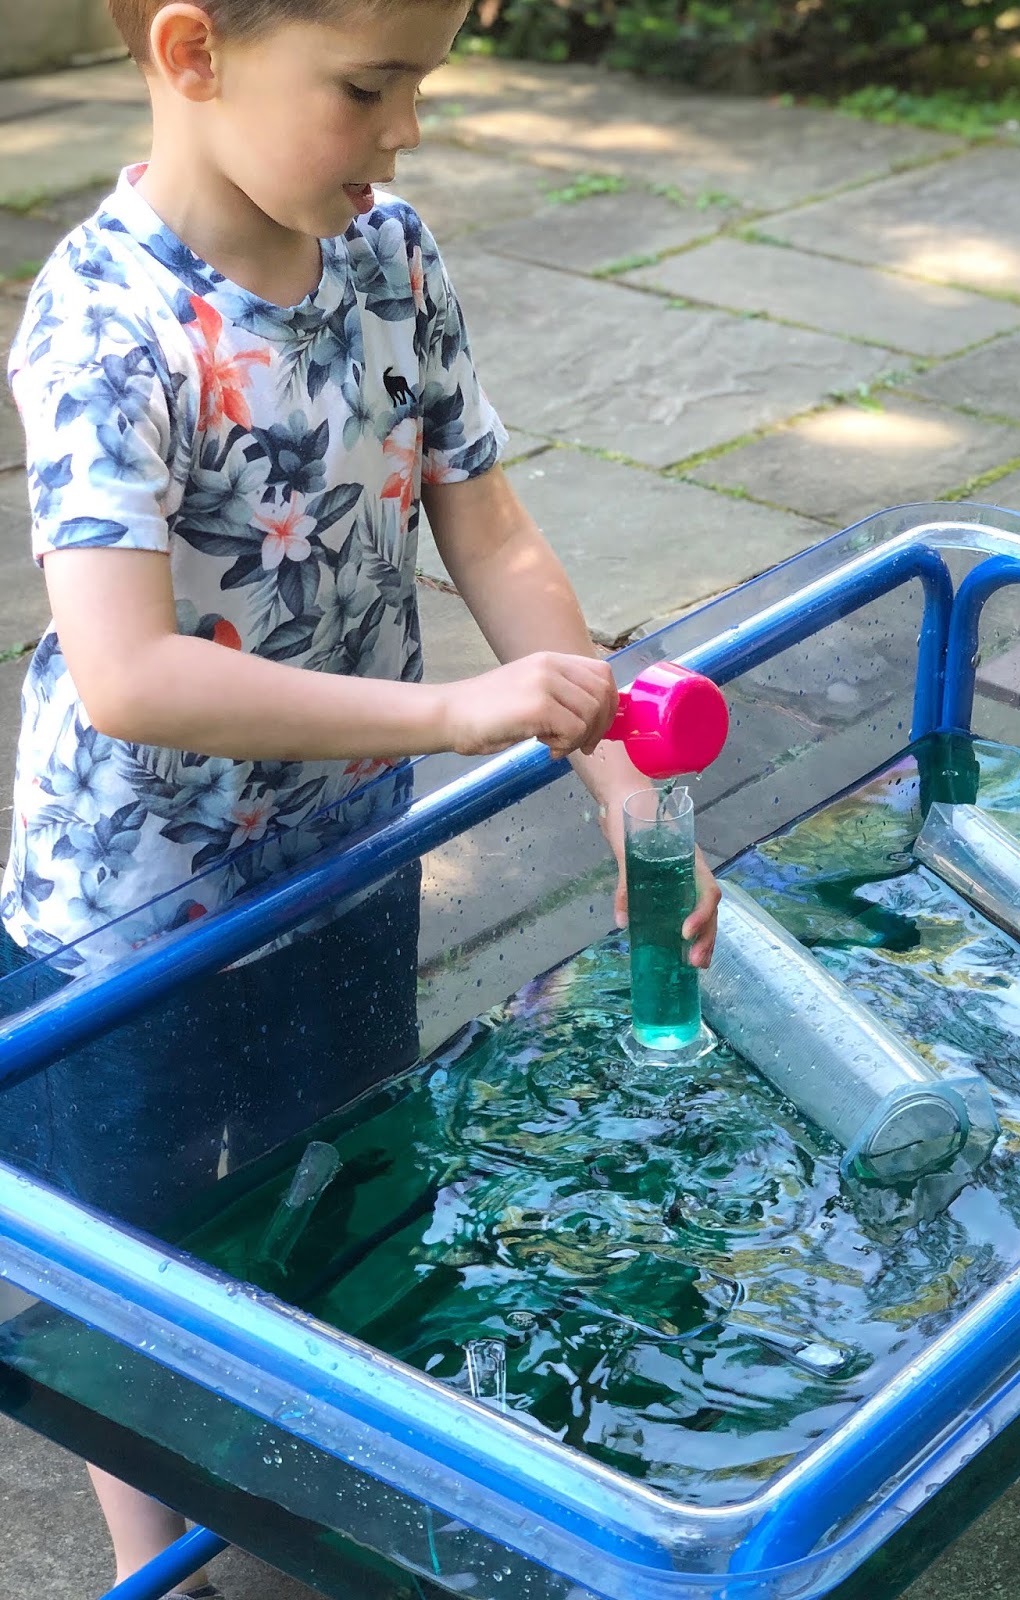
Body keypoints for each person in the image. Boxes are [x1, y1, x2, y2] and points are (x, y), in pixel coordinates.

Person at [1, 1, 720, 1592]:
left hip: (336, 862)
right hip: (133, 912)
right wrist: (453, 711)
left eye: (423, 83)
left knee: (337, 1164)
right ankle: (171, 1556)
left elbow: (496, 536)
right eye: (370, 85)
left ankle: (315, 1471)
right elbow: (127, 671)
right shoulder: (102, 322)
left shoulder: (389, 255)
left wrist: (605, 755)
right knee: (125, 1260)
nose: (408, 128)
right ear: (193, 53)